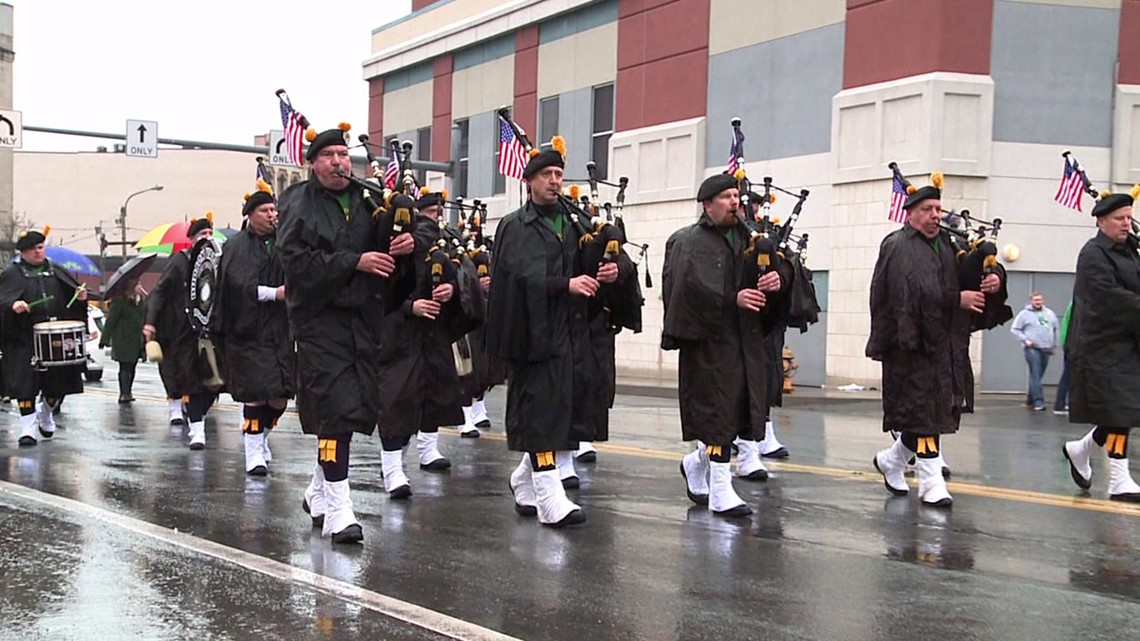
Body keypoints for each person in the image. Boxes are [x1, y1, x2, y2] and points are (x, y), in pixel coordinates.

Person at [277, 123, 415, 543]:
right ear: (312, 163)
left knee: (351, 410)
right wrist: (354, 262)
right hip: (320, 323)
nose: (339, 161)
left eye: (343, 154)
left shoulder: (367, 199)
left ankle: (318, 488)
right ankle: (339, 505)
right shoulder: (298, 204)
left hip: (362, 320)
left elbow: (386, 251)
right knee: (332, 410)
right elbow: (295, 261)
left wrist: (401, 247)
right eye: (329, 156)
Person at [484, 139, 611, 528]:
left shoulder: (573, 223)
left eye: (558, 174)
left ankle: (524, 477)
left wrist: (608, 267)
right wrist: (564, 285)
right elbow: (518, 277)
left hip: (569, 332)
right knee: (539, 413)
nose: (554, 182)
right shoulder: (515, 226)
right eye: (546, 175)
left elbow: (593, 256)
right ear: (529, 182)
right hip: (531, 333)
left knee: (559, 412)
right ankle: (548, 493)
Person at [867, 174, 1003, 507]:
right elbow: (910, 292)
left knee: (932, 411)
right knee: (924, 413)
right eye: (927, 209)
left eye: (939, 209)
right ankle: (930, 482)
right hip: (909, 343)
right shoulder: (898, 245)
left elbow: (968, 271)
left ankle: (892, 460)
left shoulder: (947, 243)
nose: (935, 215)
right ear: (910, 212)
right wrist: (957, 299)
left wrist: (993, 275)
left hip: (942, 342)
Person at [662, 173, 791, 517]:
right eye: (726, 197)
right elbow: (686, 291)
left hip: (744, 341)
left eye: (737, 196)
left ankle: (697, 463)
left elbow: (778, 282)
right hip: (708, 343)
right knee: (717, 413)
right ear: (707, 204)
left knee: (736, 414)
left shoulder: (752, 240)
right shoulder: (689, 241)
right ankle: (721, 488)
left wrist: (776, 281)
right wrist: (731, 298)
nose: (735, 202)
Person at [375, 189, 474, 498]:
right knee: (395, 403)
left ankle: (415, 455)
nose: (431, 223)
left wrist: (450, 291)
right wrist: (410, 307)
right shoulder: (385, 245)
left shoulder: (438, 249)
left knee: (428, 400)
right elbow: (376, 295)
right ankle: (392, 470)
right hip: (396, 337)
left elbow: (459, 281)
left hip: (430, 337)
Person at [1062, 187, 1140, 502]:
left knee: (1124, 410)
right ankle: (1118, 479)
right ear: (1102, 221)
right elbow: (1108, 297)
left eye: (1129, 218)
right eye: (1119, 218)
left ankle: (1080, 449)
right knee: (1121, 412)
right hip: (1099, 345)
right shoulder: (1093, 254)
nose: (1126, 223)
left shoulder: (1131, 250)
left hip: (1127, 342)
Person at [216, 179, 293, 476]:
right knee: (255, 394)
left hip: (280, 329)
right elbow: (236, 285)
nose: (272, 214)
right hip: (247, 331)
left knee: (280, 397)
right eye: (265, 210)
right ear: (250, 214)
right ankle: (253, 453)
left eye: (274, 209)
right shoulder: (236, 246)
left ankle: (261, 436)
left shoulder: (285, 243)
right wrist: (274, 293)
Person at [0, 226, 87, 446]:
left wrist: (80, 297)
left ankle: (46, 411)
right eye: (32, 249)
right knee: (25, 385)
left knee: (57, 385)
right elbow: (3, 299)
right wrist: (13, 304)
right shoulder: (12, 274)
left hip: (53, 338)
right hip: (24, 338)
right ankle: (28, 429)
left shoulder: (56, 270)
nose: (38, 252)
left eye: (40, 247)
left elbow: (73, 295)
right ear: (23, 252)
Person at [144, 215, 219, 449]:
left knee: (217, 382)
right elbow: (160, 291)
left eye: (209, 234)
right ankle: (196, 430)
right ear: (192, 240)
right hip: (184, 331)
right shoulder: (180, 261)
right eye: (202, 236)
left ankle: (198, 414)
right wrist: (151, 322)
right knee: (192, 380)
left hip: (212, 331)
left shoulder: (218, 262)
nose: (206, 239)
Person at [1010, 292, 1059, 411]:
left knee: (1038, 374)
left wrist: (1054, 345)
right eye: (1036, 300)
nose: (1038, 302)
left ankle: (1030, 399)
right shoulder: (1024, 314)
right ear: (1031, 301)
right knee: (1035, 373)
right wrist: (1026, 340)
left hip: (1046, 348)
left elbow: (1055, 329)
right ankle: (1039, 401)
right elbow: (1015, 329)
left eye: (1040, 300)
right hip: (1032, 348)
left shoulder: (1049, 313)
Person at [99, 280, 146, 403]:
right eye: (138, 284)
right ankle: (123, 393)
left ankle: (129, 391)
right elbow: (111, 321)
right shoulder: (119, 301)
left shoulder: (140, 301)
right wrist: (104, 339)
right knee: (125, 366)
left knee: (133, 366)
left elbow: (145, 315)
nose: (140, 287)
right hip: (123, 339)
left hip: (136, 339)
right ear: (131, 286)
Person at [1053, 300, 1073, 415]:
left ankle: (1061, 404)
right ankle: (1059, 404)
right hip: (1072, 343)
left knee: (1068, 375)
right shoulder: (1077, 302)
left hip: (1069, 342)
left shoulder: (1073, 302)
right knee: (1068, 375)